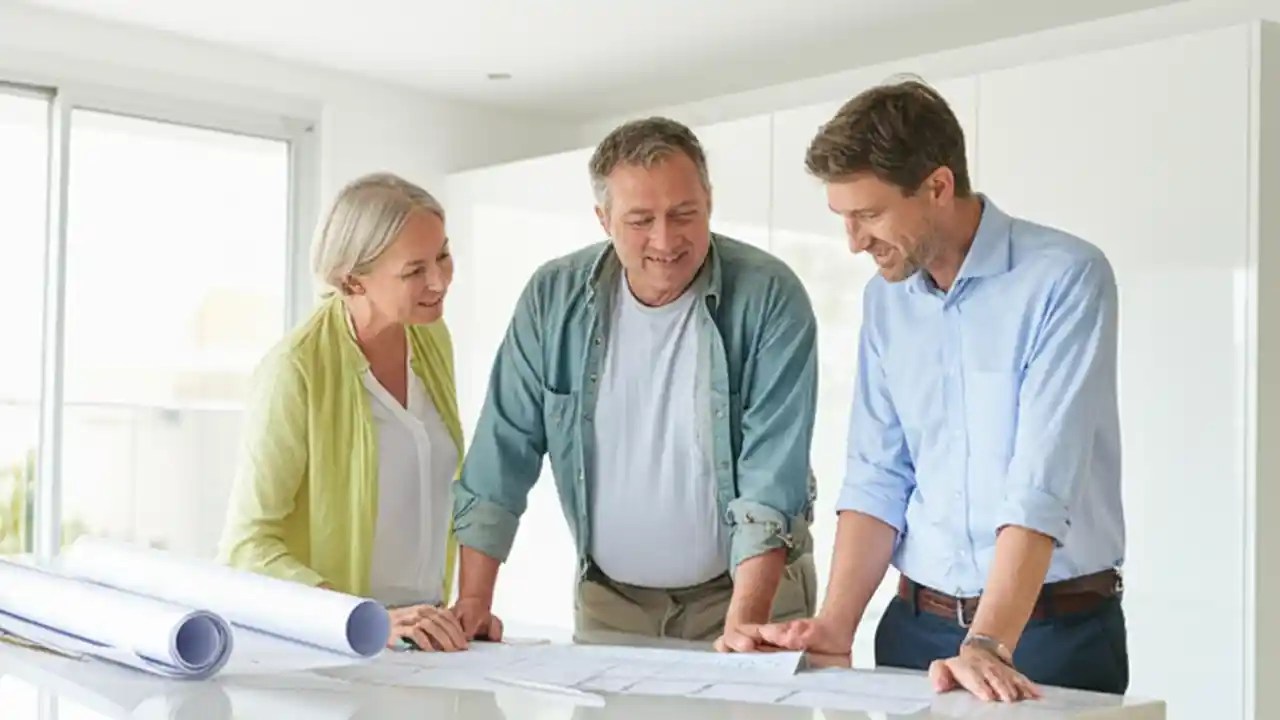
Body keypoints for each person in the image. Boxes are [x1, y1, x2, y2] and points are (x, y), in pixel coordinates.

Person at [746, 79, 1127, 700]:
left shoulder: (1063, 278)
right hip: (913, 630)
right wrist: (836, 623)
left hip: (1049, 632)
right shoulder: (886, 301)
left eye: (869, 215)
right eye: (844, 218)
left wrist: (988, 642)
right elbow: (877, 474)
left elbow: (1041, 482)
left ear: (938, 186)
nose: (854, 241)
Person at [448, 117, 820, 650]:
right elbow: (500, 454)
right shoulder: (552, 298)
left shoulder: (770, 296)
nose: (665, 240)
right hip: (611, 606)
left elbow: (772, 476)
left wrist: (744, 626)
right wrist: (473, 604)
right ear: (603, 219)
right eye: (641, 220)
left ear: (710, 201)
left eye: (684, 214)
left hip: (751, 597)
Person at [218, 172, 480, 652]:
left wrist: (466, 606)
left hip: (423, 636)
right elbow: (246, 546)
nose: (439, 281)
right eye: (414, 270)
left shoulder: (430, 336)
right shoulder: (294, 370)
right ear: (352, 280)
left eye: (443, 255)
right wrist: (365, 619)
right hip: (336, 644)